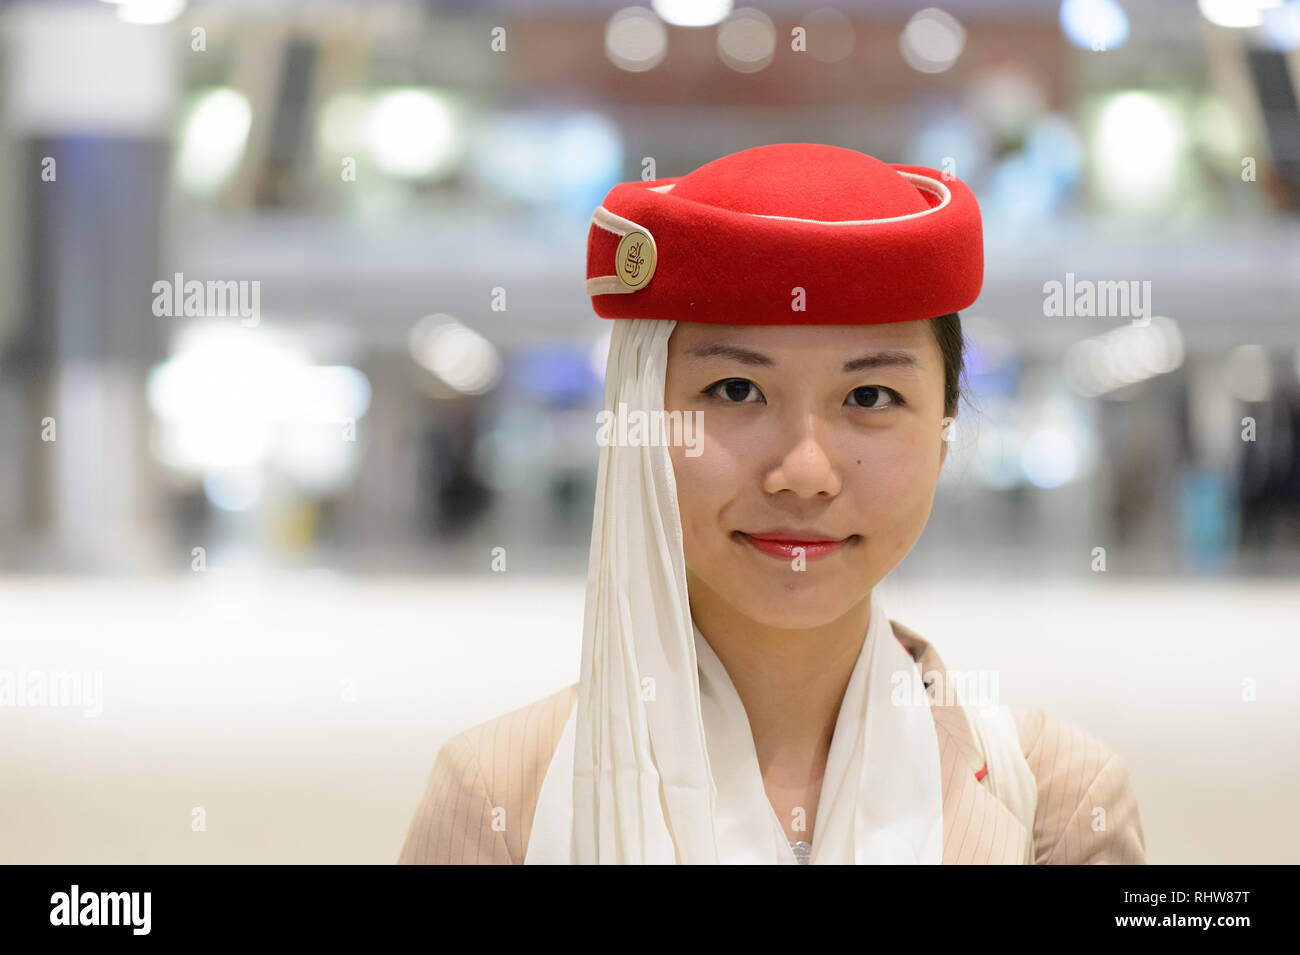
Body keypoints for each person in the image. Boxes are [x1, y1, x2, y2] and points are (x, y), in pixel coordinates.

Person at [398, 143, 1146, 865]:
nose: (805, 472)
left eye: (870, 396)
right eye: (736, 391)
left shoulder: (1055, 803)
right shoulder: (502, 800)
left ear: (943, 434)